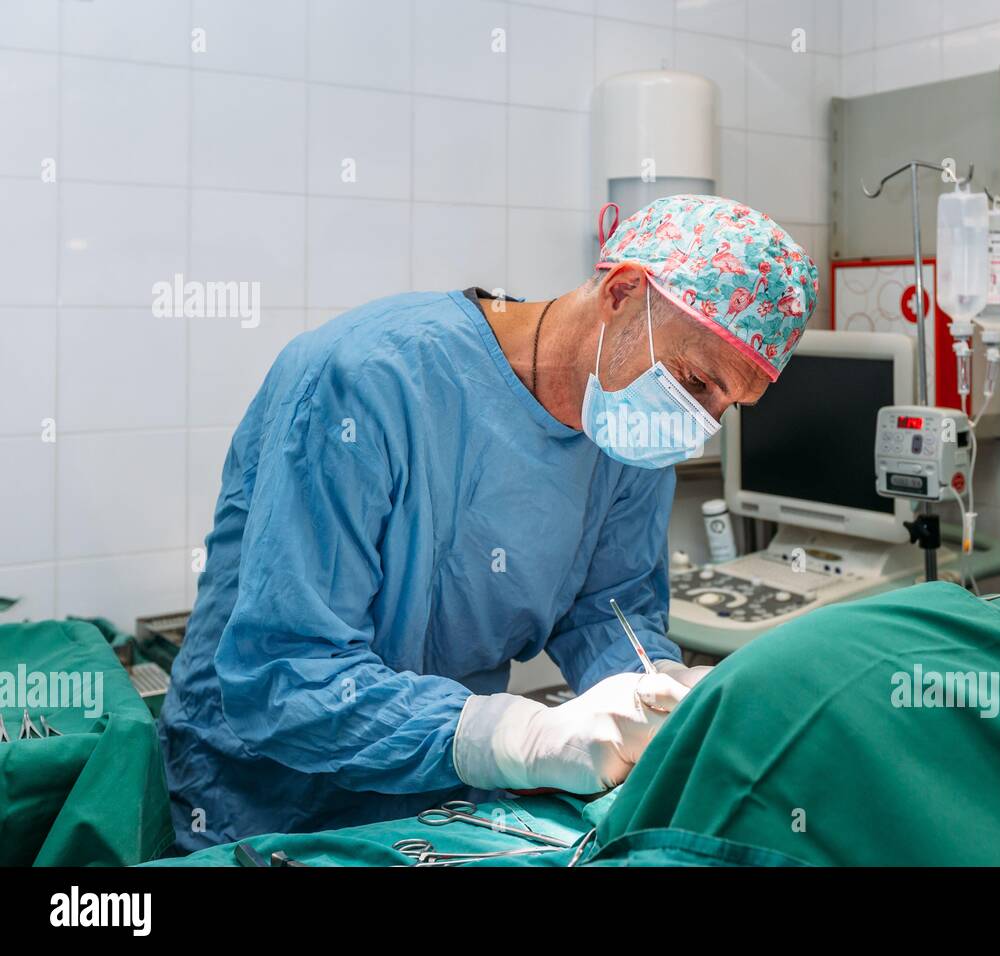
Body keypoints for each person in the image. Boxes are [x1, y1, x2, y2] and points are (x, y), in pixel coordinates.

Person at [158, 195, 818, 850]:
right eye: (697, 381)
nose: (700, 421)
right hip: (271, 802)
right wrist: (517, 737)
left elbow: (607, 611)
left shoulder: (630, 434)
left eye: (730, 405)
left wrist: (652, 693)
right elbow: (285, 676)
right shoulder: (368, 380)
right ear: (620, 292)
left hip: (446, 806)